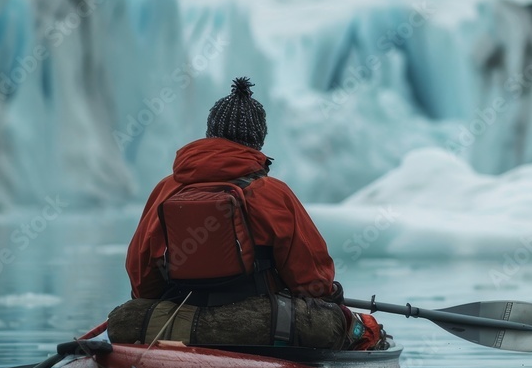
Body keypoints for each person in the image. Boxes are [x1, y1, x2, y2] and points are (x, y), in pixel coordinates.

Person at [115, 77, 381, 350]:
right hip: (258, 324)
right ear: (258, 138)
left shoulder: (167, 189)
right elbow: (311, 280)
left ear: (211, 132)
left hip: (181, 318)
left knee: (125, 318)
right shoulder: (271, 192)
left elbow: (141, 275)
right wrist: (331, 296)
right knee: (337, 322)